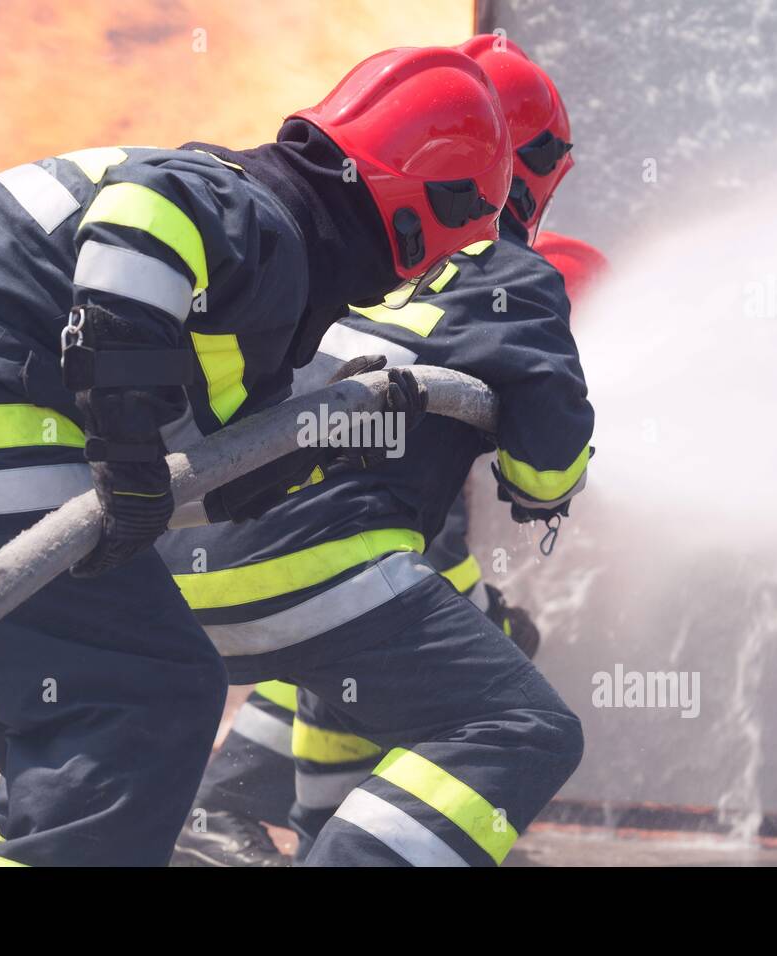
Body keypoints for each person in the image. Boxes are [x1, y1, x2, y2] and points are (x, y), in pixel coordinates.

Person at [0, 46, 511, 866]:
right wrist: (127, 454)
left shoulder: (257, 247)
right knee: (145, 700)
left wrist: (315, 441)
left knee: (81, 738)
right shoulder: (254, 212)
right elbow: (149, 214)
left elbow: (212, 450)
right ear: (420, 215)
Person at [163, 35, 591, 867]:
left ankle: (328, 831)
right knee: (526, 724)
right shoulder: (510, 276)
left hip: (177, 555)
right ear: (525, 165)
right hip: (300, 562)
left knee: (359, 646)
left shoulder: (353, 241)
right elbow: (545, 472)